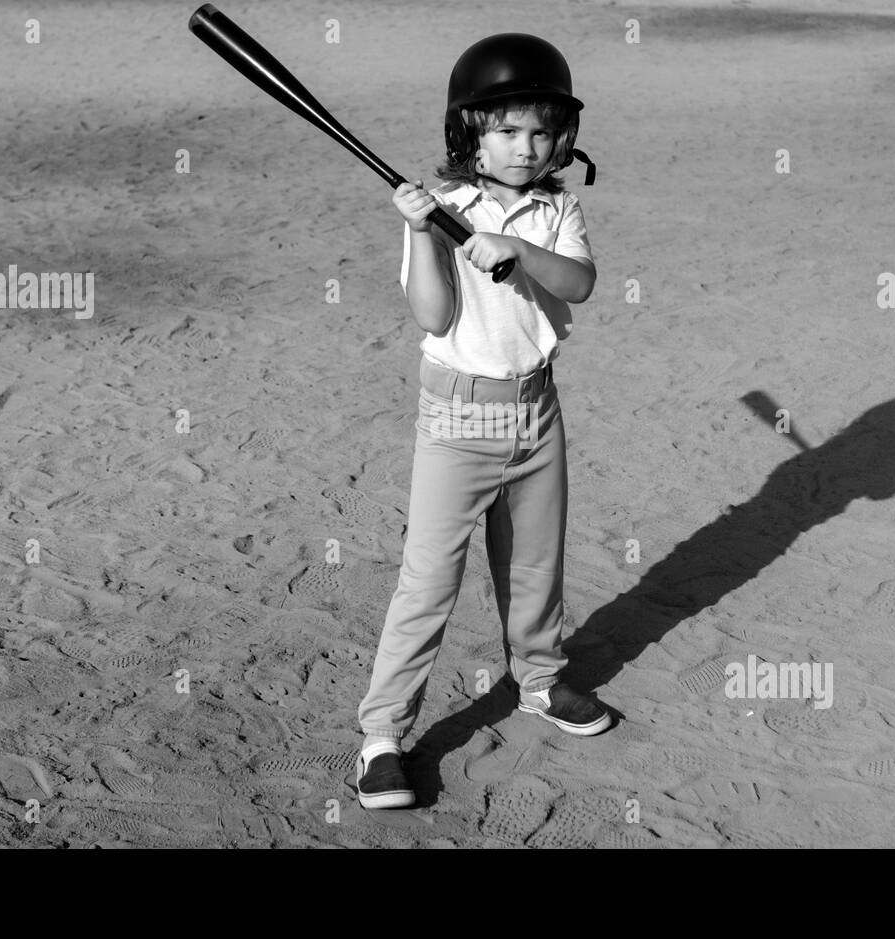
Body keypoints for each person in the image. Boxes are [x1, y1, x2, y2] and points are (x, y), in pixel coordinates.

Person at [355, 33, 608, 810]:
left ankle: (539, 681)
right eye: (505, 130)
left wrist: (518, 250)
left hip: (538, 410)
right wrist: (422, 231)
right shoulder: (443, 207)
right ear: (470, 130)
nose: (524, 147)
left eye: (539, 131)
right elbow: (430, 313)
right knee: (429, 579)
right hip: (457, 416)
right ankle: (382, 737)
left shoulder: (557, 209)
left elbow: (582, 284)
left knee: (534, 566)